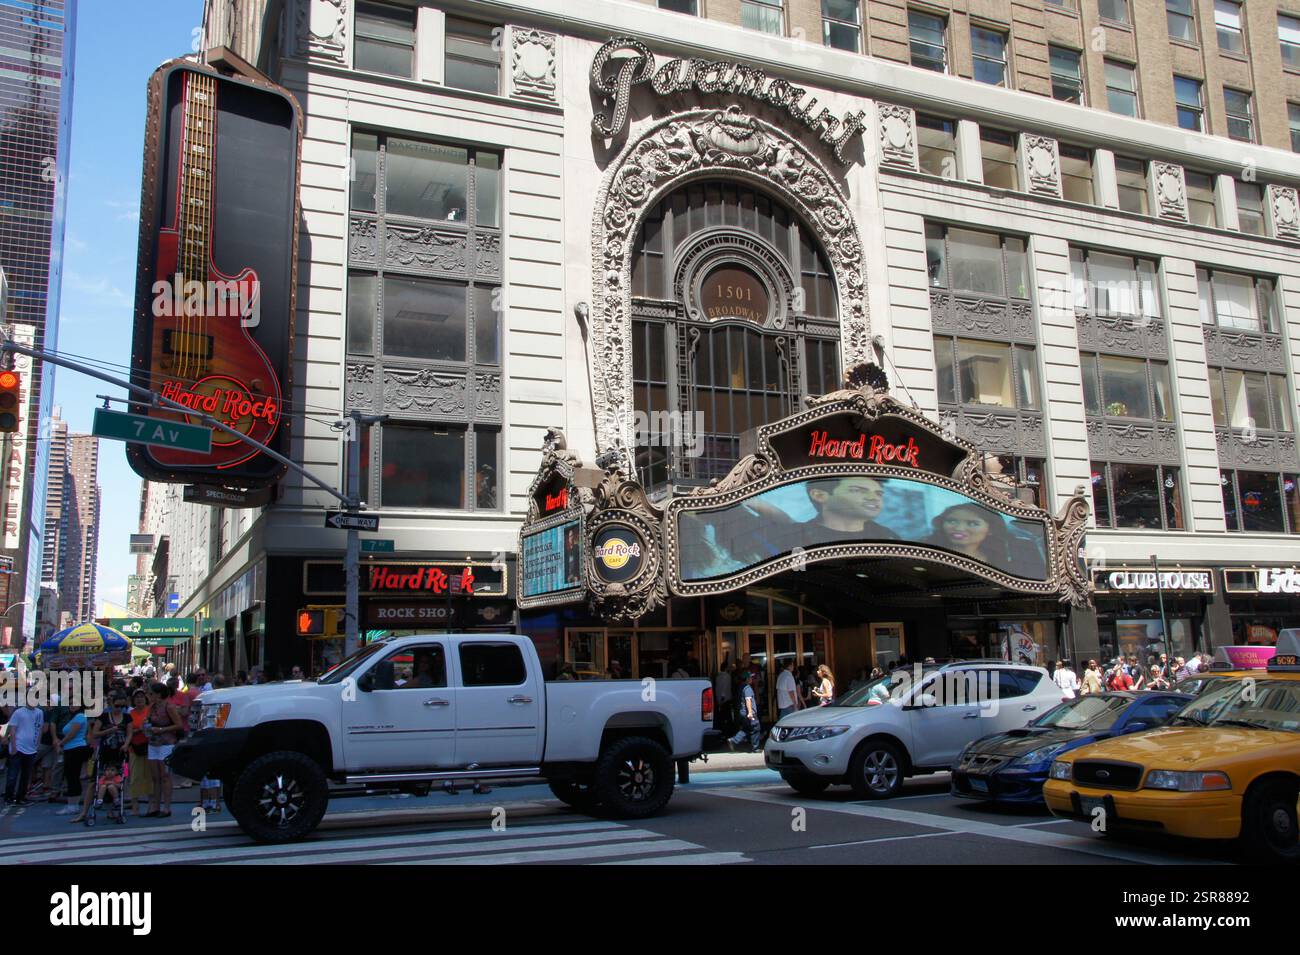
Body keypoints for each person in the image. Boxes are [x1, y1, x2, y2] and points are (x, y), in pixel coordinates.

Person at [70, 695, 129, 825]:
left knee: (121, 780)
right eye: (117, 705)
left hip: (121, 754)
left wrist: (126, 744)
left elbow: (129, 733)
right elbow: (94, 733)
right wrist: (109, 730)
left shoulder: (127, 717)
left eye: (123, 706)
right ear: (111, 704)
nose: (120, 709)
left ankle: (114, 808)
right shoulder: (103, 717)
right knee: (95, 782)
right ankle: (84, 812)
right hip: (104, 753)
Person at [807, 477, 899, 541]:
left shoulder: (888, 537)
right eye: (856, 490)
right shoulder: (798, 535)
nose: (874, 498)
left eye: (879, 494)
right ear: (819, 495)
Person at [145, 682, 184, 817]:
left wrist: (161, 729)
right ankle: (155, 806)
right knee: (155, 777)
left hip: (166, 743)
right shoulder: (151, 707)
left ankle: (166, 807)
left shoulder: (169, 706)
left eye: (151, 694)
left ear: (158, 695)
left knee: (165, 776)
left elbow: (179, 725)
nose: (149, 696)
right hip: (153, 742)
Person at [2, 697, 43, 805]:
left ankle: (21, 797)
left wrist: (37, 745)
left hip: (31, 748)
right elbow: (12, 729)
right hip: (19, 746)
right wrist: (14, 746)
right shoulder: (18, 712)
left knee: (26, 775)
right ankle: (8, 797)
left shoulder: (39, 712)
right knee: (12, 775)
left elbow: (39, 728)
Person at [54, 705, 91, 815]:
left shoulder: (79, 716)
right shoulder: (74, 717)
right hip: (71, 749)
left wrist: (60, 743)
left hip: (75, 749)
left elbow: (72, 734)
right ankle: (73, 804)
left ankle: (72, 805)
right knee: (71, 776)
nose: (72, 706)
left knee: (72, 776)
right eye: (70, 703)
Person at [126, 689, 154, 817]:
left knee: (150, 776)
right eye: (137, 697)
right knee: (135, 777)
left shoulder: (150, 711)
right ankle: (135, 806)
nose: (139, 699)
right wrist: (139, 730)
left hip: (150, 747)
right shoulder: (130, 713)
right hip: (134, 748)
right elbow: (128, 732)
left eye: (142, 697)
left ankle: (151, 805)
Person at [728, 671, 761, 753]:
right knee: (755, 727)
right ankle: (755, 748)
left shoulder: (741, 687)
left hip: (742, 712)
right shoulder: (747, 688)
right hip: (748, 712)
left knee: (746, 729)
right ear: (747, 679)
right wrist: (750, 712)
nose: (752, 679)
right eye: (750, 677)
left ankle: (734, 740)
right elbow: (748, 700)